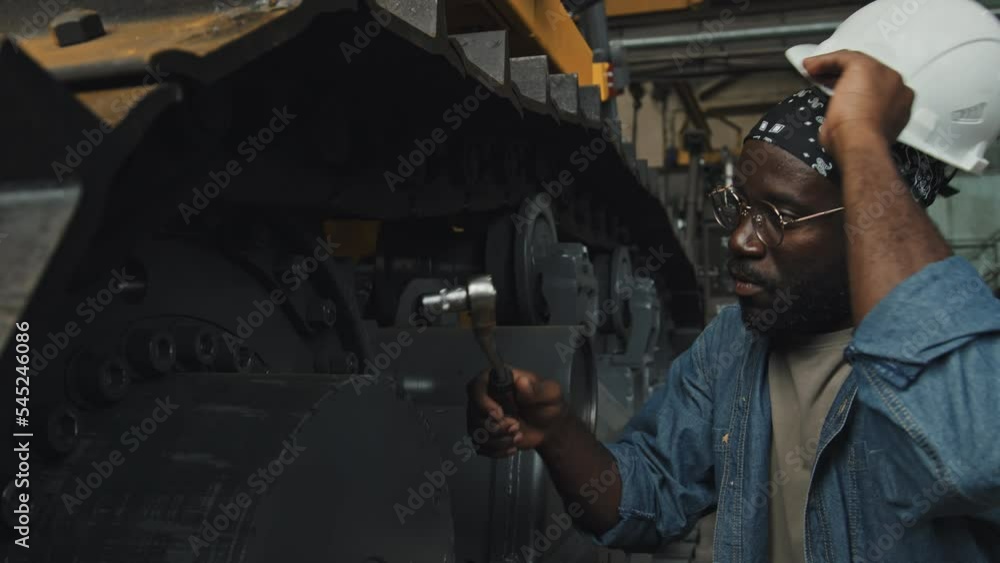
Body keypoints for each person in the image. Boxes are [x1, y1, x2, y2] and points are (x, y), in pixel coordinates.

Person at [466, 50, 1000, 562]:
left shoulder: (968, 362)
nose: (741, 238)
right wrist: (557, 432)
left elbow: (974, 458)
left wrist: (861, 140)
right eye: (741, 205)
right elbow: (649, 493)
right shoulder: (734, 345)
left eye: (778, 214)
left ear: (863, 223)